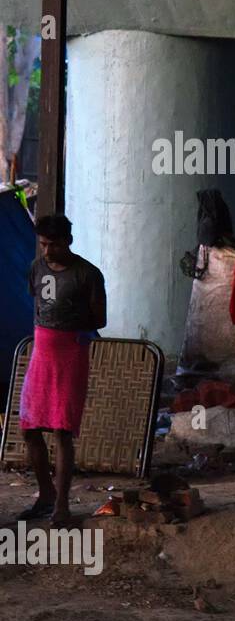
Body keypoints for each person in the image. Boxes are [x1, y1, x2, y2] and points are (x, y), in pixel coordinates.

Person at [19, 214, 106, 524]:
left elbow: (99, 320)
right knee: (29, 429)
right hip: (41, 353)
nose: (47, 251)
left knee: (62, 430)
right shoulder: (37, 268)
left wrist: (72, 316)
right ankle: (45, 496)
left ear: (68, 241)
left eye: (53, 245)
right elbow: (40, 307)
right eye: (43, 244)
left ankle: (62, 507)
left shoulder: (88, 274)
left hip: (71, 354)